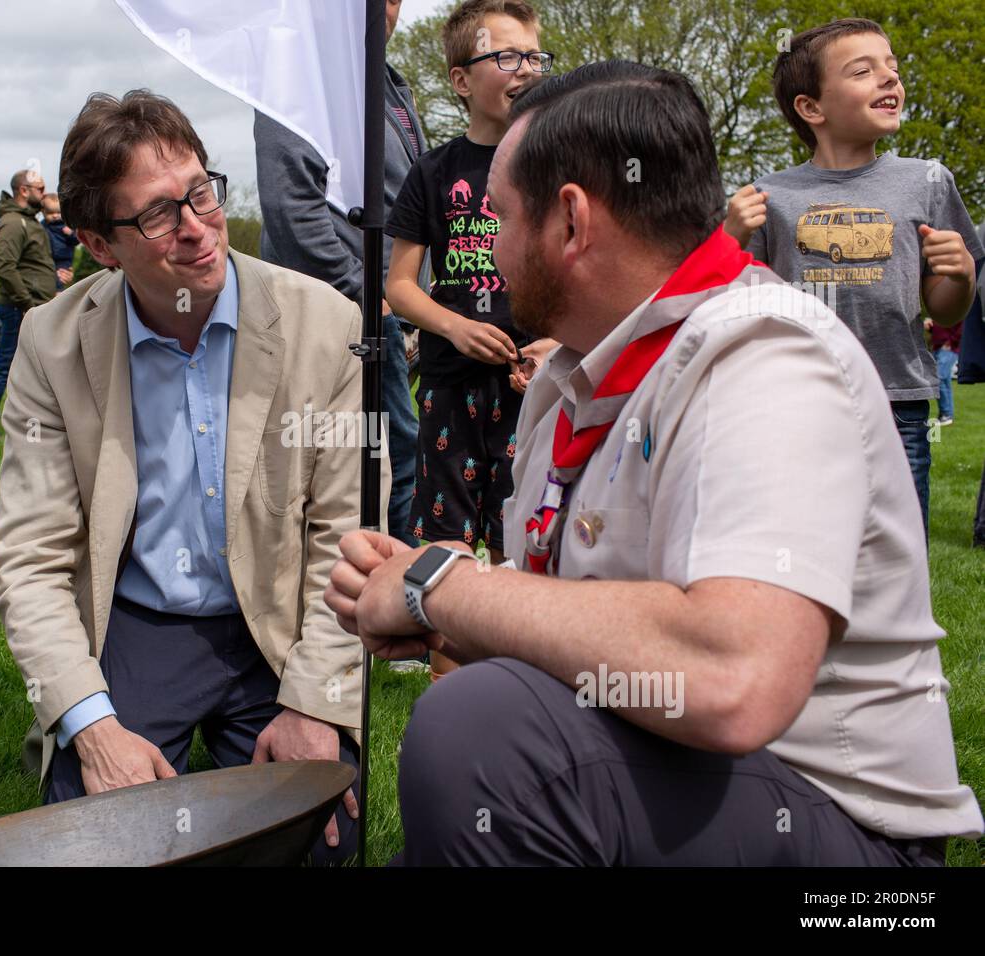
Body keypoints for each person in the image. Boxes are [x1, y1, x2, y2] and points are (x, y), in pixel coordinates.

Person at [325, 61, 983, 866]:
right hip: (691, 782)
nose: (486, 253)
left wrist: (446, 588)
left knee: (482, 732)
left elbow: (730, 677)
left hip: (849, 838)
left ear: (570, 220)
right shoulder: (569, 380)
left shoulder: (769, 354)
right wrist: (445, 609)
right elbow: (596, 652)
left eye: (498, 218)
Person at [0, 91, 388, 864]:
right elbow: (30, 559)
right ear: (101, 246)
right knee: (96, 838)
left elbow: (348, 538)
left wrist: (316, 703)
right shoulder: (50, 341)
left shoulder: (329, 324)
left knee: (319, 840)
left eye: (202, 194)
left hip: (277, 619)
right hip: (142, 621)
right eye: (159, 215)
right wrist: (94, 727)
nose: (199, 229)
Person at [725, 18, 983, 538]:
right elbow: (733, 298)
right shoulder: (769, 196)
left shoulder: (928, 180)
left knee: (895, 550)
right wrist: (730, 236)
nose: (889, 78)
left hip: (899, 400)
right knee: (804, 543)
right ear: (812, 108)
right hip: (799, 399)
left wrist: (963, 274)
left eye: (893, 67)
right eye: (863, 71)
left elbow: (942, 309)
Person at [384, 0, 555, 679]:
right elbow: (399, 285)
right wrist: (453, 326)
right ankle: (450, 697)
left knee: (526, 539)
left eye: (535, 57)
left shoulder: (556, 165)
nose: (525, 70)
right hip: (452, 389)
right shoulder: (434, 172)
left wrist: (551, 348)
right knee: (446, 547)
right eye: (506, 57)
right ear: (461, 81)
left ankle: (520, 689)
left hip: (536, 391)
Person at [253, 0, 425, 550]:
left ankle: (384, 602)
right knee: (357, 460)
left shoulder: (388, 83)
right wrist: (371, 295)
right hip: (342, 314)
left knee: (388, 457)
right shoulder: (302, 77)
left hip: (392, 312)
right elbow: (292, 210)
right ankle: (369, 605)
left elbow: (407, 204)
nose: (385, 8)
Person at [0, 168, 55, 439]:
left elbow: (33, 265)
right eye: (41, 189)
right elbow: (5, 267)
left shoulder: (30, 221)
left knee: (35, 371)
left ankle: (33, 425)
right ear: (24, 190)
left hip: (35, 307)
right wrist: (26, 303)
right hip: (18, 309)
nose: (44, 194)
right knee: (5, 366)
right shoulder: (13, 222)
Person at [925, 315, 959, 425]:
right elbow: (941, 329)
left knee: (939, 378)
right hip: (938, 347)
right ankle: (946, 414)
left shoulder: (956, 306)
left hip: (948, 348)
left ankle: (946, 414)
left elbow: (962, 326)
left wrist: (951, 342)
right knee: (945, 381)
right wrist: (931, 327)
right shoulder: (941, 308)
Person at [41, 192, 78, 289]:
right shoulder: (43, 225)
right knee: (50, 275)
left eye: (58, 213)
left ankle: (58, 291)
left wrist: (71, 234)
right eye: (50, 213)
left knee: (60, 277)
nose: (55, 216)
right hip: (49, 257)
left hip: (63, 258)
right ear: (43, 212)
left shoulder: (67, 225)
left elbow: (76, 240)